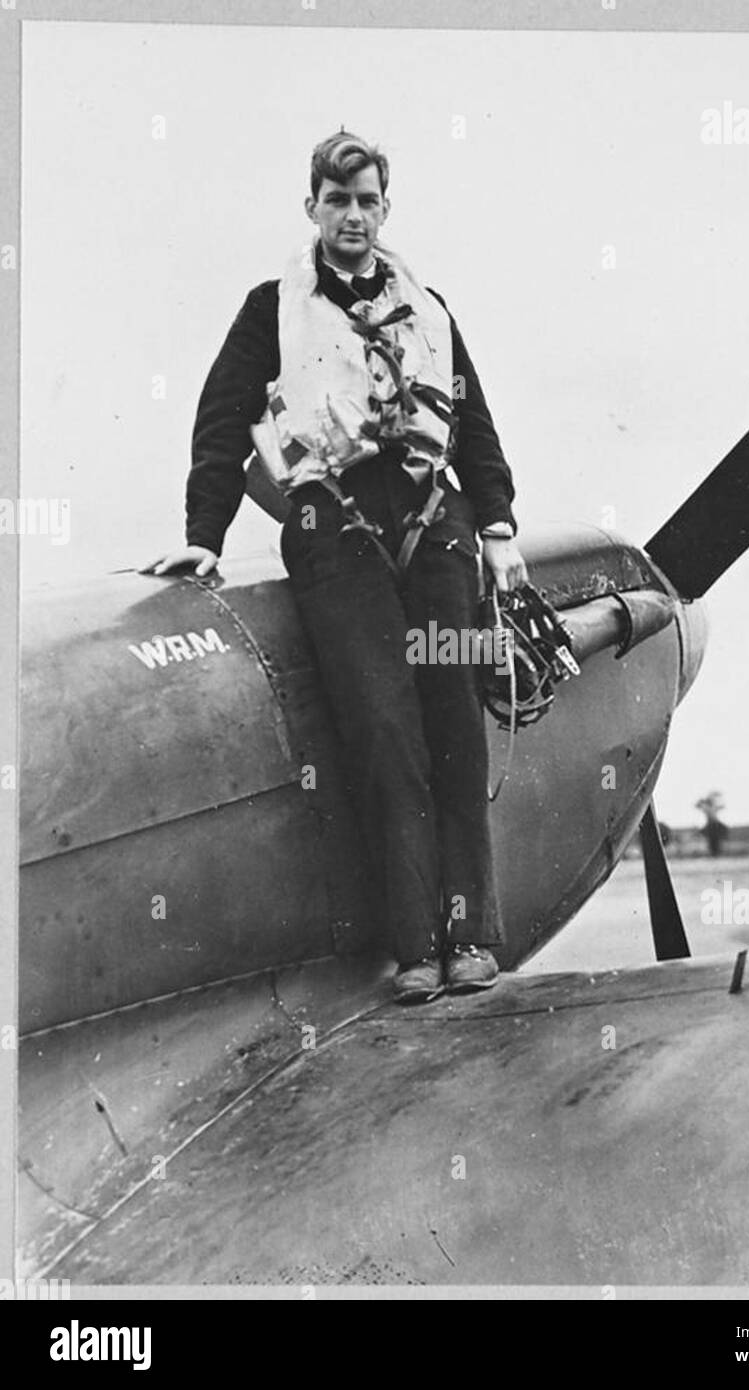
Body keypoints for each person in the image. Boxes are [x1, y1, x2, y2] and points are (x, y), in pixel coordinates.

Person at [145, 131, 527, 1003]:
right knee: (383, 729)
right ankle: (415, 949)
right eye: (337, 199)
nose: (352, 217)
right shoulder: (268, 310)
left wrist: (498, 525)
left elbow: (473, 424)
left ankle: (472, 935)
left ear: (384, 209)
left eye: (367, 202)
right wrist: (205, 532)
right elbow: (221, 422)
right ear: (311, 205)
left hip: (438, 536)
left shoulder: (430, 307)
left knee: (454, 725)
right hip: (335, 535)